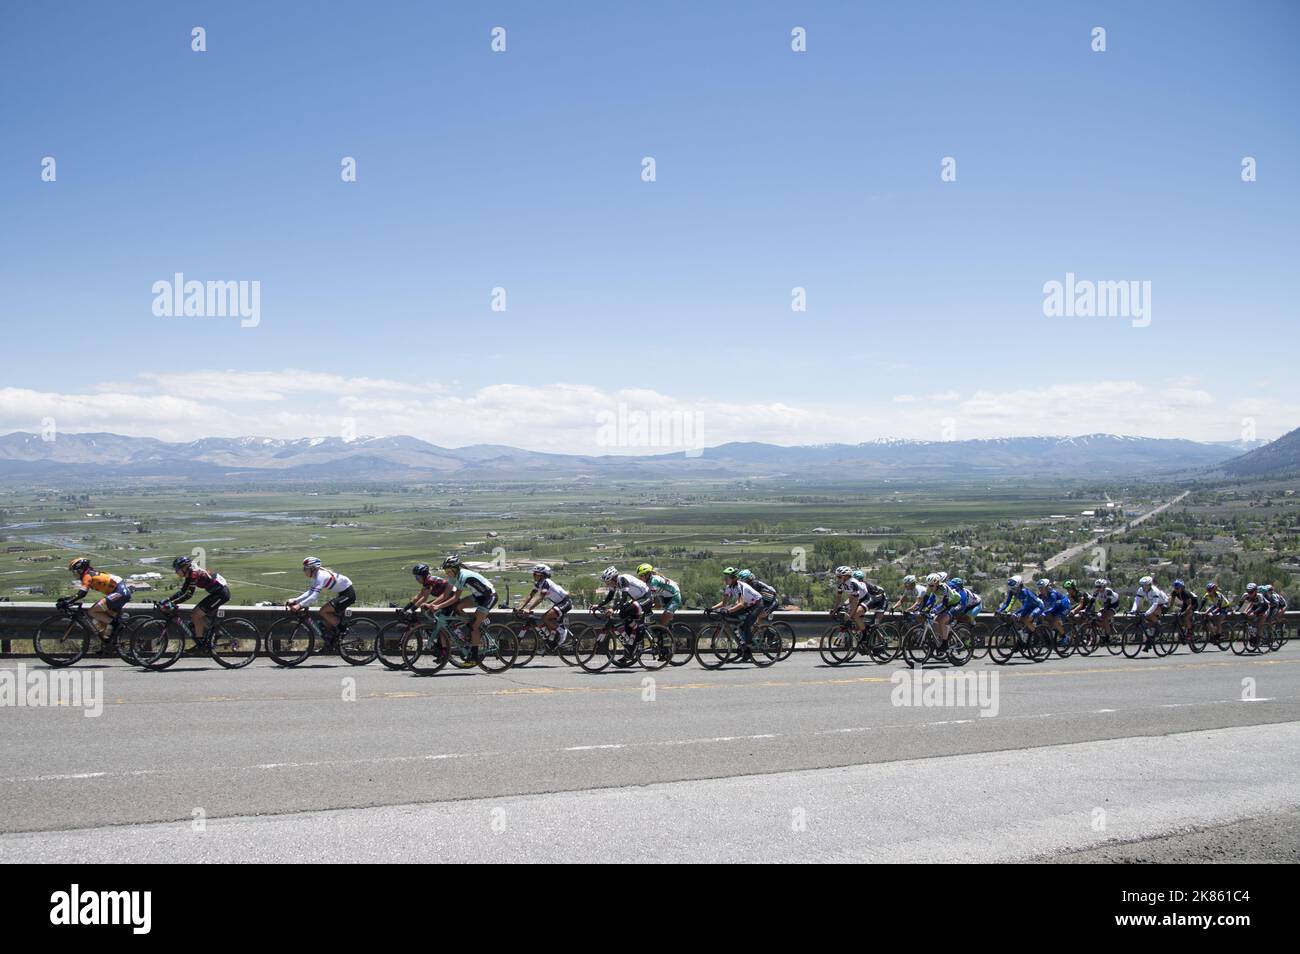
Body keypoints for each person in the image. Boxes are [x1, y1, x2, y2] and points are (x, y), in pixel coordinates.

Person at [427, 555, 496, 659]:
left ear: (455, 569)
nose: (447, 573)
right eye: (446, 571)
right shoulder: (454, 576)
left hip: (489, 597)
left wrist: (438, 606)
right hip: (478, 596)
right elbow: (446, 595)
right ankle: (472, 625)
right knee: (457, 607)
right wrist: (432, 605)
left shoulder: (464, 575)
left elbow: (455, 597)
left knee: (474, 626)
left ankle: (475, 657)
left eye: (448, 571)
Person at [165, 555, 230, 644]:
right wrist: (168, 599)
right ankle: (213, 634)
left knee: (196, 615)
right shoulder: (190, 573)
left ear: (184, 567)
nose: (176, 572)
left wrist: (173, 603)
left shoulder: (194, 574)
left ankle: (200, 642)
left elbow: (188, 594)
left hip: (221, 594)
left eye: (177, 569)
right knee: (195, 616)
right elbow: (183, 591)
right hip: (216, 593)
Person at [61, 556, 131, 635]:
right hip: (119, 592)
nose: (74, 574)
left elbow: (82, 594)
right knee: (106, 630)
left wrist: (67, 602)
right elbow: (79, 594)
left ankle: (116, 624)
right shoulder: (90, 573)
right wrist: (67, 599)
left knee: (92, 611)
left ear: (80, 570)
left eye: (75, 572)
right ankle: (114, 642)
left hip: (119, 593)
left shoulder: (87, 576)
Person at [287, 557, 356, 633]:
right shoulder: (316, 576)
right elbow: (310, 592)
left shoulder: (321, 576)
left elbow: (314, 596)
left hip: (348, 595)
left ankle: (343, 630)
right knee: (327, 619)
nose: (304, 571)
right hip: (342, 593)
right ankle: (334, 639)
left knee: (323, 611)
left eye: (305, 568)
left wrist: (300, 605)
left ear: (313, 569)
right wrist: (296, 600)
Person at [709, 566, 764, 658]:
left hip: (757, 604)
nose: (725, 579)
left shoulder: (739, 587)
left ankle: (748, 648)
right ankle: (741, 640)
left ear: (734, 578)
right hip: (748, 605)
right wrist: (711, 608)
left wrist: (728, 610)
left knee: (746, 624)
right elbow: (724, 603)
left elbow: (741, 604)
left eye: (727, 578)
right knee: (731, 618)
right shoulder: (729, 587)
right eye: (725, 577)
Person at [516, 563, 573, 649]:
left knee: (545, 617)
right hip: (558, 604)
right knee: (546, 622)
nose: (533, 575)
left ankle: (562, 631)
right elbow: (530, 596)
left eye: (535, 574)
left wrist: (528, 609)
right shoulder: (538, 583)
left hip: (565, 602)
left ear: (541, 575)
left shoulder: (546, 583)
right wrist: (520, 607)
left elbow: (540, 598)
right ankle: (552, 642)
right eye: (533, 573)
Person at [1129, 576, 1169, 651]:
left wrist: (1146, 613)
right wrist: (1133, 610)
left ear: (1150, 585)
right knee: (1147, 620)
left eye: (1145, 585)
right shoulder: (1141, 590)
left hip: (1163, 604)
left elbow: (1155, 604)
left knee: (1149, 614)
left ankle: (1158, 625)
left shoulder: (1155, 591)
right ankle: (1151, 635)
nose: (1143, 587)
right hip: (1155, 605)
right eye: (1142, 585)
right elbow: (1137, 601)